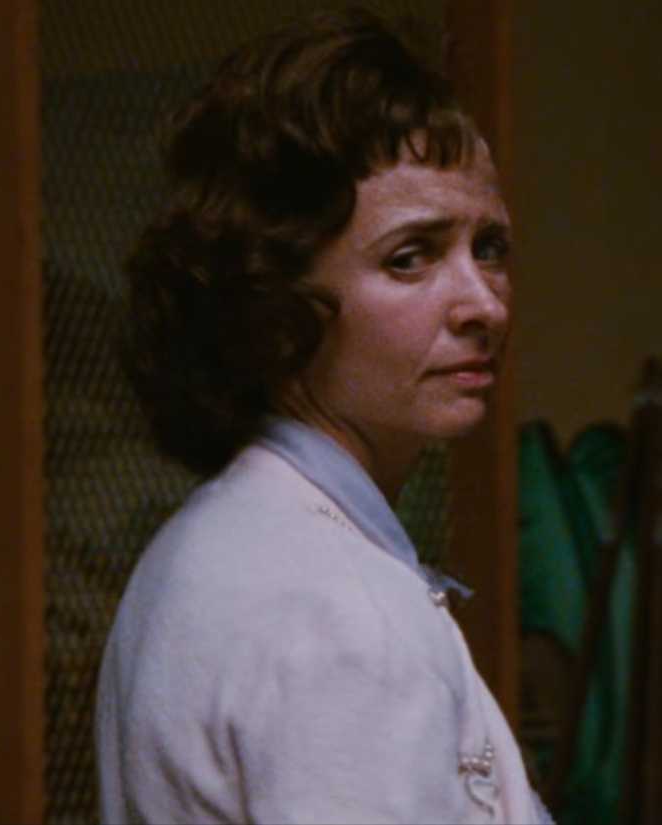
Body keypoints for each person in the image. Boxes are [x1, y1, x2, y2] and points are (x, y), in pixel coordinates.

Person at [95, 9, 550, 824]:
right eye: (410, 257)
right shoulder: (340, 615)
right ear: (275, 304)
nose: (482, 303)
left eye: (489, 248)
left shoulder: (217, 538)